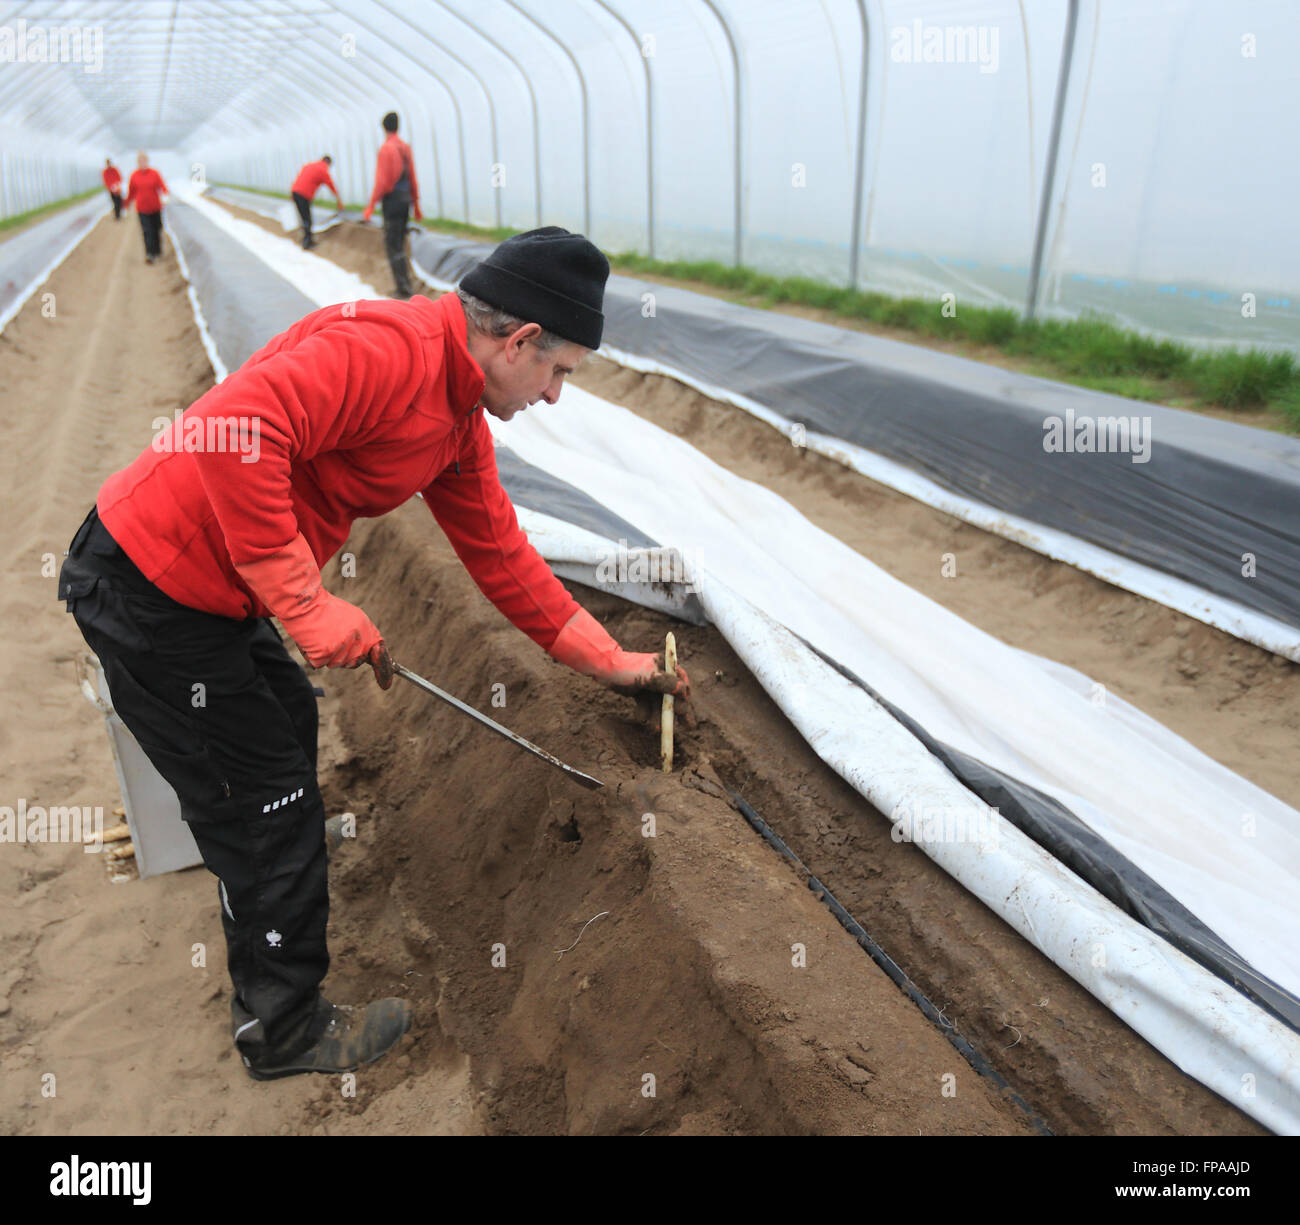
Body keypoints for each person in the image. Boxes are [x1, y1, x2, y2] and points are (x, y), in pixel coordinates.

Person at [59, 227, 689, 1081]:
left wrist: (611, 657)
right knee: (272, 798)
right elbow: (235, 429)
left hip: (207, 588)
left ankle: (251, 929)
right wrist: (308, 605)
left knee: (279, 727)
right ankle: (281, 1032)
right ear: (519, 341)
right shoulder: (390, 355)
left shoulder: (456, 420)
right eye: (560, 371)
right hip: (150, 582)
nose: (555, 395)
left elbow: (503, 556)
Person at [362, 111, 421, 298]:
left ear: (384, 128)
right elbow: (412, 177)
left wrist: (371, 206)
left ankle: (403, 288)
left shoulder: (387, 148)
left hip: (393, 202)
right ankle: (407, 282)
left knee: (393, 244)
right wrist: (416, 204)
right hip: (405, 201)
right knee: (401, 242)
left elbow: (384, 182)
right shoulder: (405, 148)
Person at [123, 152, 168, 264]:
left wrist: (165, 194)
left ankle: (157, 251)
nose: (142, 163)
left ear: (147, 162)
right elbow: (131, 192)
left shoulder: (154, 173)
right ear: (138, 163)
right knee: (147, 231)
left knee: (157, 229)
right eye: (140, 161)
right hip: (142, 208)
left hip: (155, 207)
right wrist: (126, 205)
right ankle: (150, 254)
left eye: (144, 161)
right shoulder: (134, 176)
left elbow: (162, 186)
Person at [290, 155, 342, 250]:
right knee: (307, 219)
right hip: (304, 195)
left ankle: (307, 239)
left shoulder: (309, 165)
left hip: (295, 192)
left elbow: (300, 179)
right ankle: (307, 243)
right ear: (328, 163)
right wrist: (339, 201)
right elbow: (331, 186)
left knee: (303, 218)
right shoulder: (323, 170)